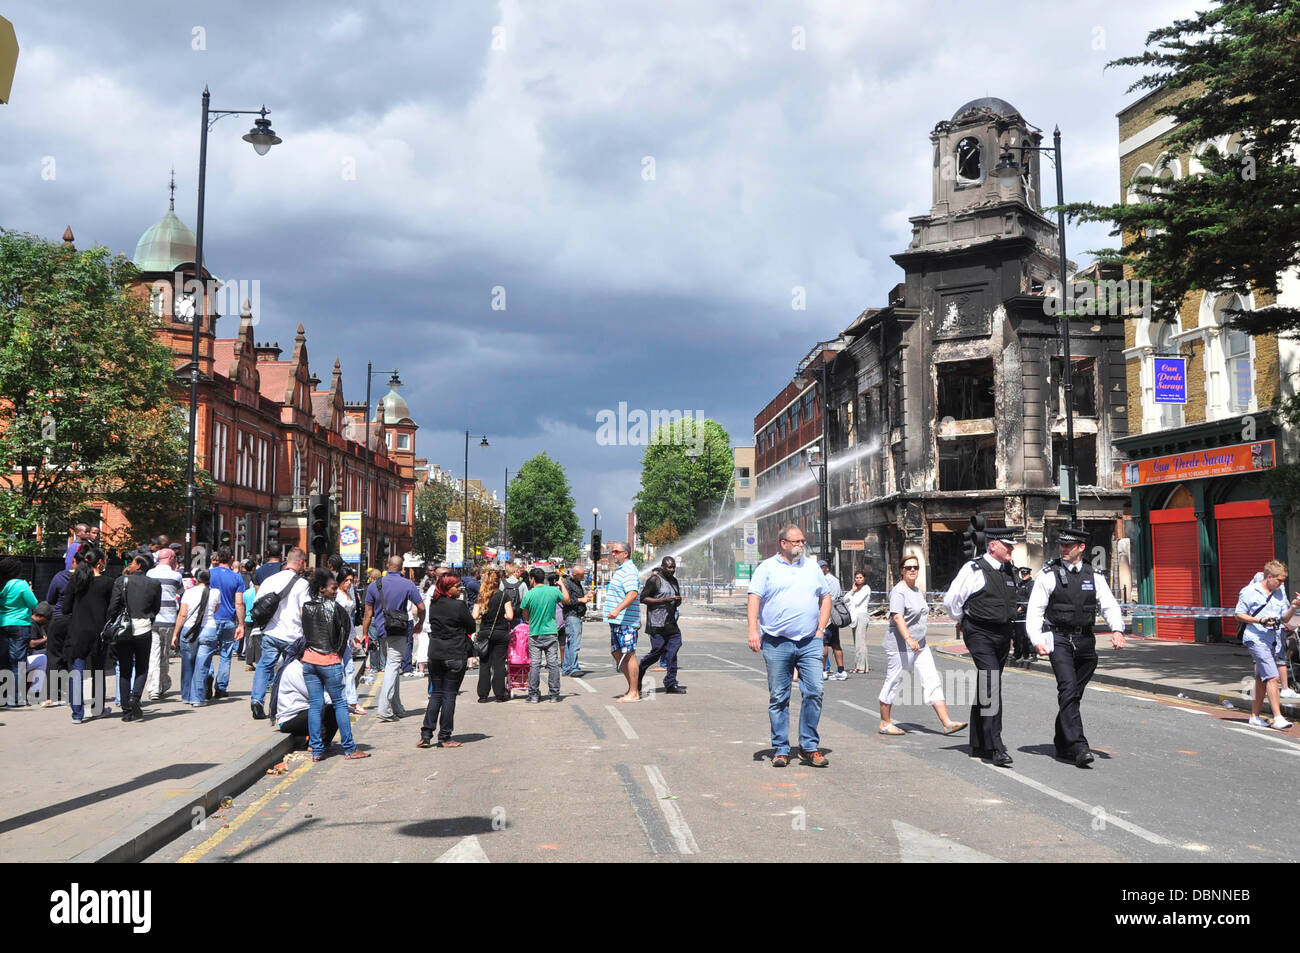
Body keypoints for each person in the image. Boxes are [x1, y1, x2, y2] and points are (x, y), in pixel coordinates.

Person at [1024, 527, 1128, 766]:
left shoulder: (1094, 575)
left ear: (1081, 548)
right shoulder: (1049, 574)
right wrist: (1036, 639)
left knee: (1073, 695)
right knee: (1068, 690)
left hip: (1085, 641)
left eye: (1068, 546)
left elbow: (1109, 605)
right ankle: (1079, 746)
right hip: (1058, 639)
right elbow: (1035, 611)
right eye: (1061, 545)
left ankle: (1062, 744)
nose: (1063, 549)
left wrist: (1117, 630)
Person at [747, 524, 831, 767]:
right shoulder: (767, 568)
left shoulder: (812, 567)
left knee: (814, 691)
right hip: (776, 642)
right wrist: (754, 630)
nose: (801, 545)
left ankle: (808, 746)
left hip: (809, 641)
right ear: (783, 544)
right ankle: (781, 748)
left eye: (803, 541)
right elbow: (754, 598)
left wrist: (820, 630)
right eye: (796, 542)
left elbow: (825, 597)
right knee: (779, 696)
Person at [943, 526, 1020, 767]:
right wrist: (962, 620)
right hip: (980, 632)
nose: (1011, 549)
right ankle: (995, 745)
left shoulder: (1009, 570)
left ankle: (979, 743)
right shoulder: (974, 568)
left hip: (1001, 634)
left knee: (988, 685)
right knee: (991, 684)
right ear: (993, 545)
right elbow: (951, 600)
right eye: (1007, 545)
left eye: (1012, 545)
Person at [878, 555, 966, 736]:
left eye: (916, 567)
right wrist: (909, 638)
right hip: (900, 645)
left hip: (921, 645)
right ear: (901, 570)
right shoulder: (899, 591)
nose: (912, 570)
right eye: (908, 567)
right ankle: (885, 723)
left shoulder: (917, 591)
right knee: (895, 680)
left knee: (932, 679)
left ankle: (947, 722)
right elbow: (897, 616)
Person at [300, 568, 368, 762]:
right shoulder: (335, 608)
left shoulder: (307, 607)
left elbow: (306, 633)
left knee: (315, 705)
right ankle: (349, 747)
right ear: (321, 588)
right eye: (332, 588)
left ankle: (317, 749)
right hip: (329, 661)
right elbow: (344, 632)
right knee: (339, 703)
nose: (335, 591)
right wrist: (336, 654)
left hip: (310, 660)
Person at [1233, 560, 1297, 731]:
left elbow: (1284, 619)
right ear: (1269, 577)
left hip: (1273, 640)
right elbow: (1239, 614)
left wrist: (1293, 607)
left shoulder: (1279, 592)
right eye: (1280, 580)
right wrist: (1259, 620)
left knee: (1261, 679)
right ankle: (1278, 717)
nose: (1282, 584)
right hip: (1256, 638)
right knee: (1273, 677)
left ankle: (1254, 717)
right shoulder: (1249, 592)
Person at [362, 555, 425, 722]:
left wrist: (364, 633)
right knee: (393, 666)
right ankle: (384, 708)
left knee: (392, 666)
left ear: (387, 565)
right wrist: (420, 623)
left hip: (381, 631)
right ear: (401, 567)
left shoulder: (375, 585)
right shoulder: (407, 584)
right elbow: (421, 606)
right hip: (399, 630)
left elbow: (368, 614)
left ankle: (397, 707)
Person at [249, 548, 310, 720]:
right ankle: (286, 705)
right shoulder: (302, 584)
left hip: (271, 632)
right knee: (292, 670)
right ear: (300, 562)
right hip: (293, 634)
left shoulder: (270, 580)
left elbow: (256, 603)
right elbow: (302, 612)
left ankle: (257, 701)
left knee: (264, 666)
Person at [418, 573, 478, 746]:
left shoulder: (434, 605)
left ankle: (426, 734)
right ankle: (444, 736)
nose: (460, 588)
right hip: (455, 653)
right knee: (449, 696)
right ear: (446, 588)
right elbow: (471, 626)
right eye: (456, 586)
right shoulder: (459, 606)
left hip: (435, 654)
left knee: (436, 694)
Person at [106, 555, 162, 721]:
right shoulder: (154, 584)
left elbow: (113, 607)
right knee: (142, 667)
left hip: (124, 629)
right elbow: (156, 608)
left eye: (132, 562)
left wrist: (113, 623)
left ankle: (126, 711)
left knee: (124, 668)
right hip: (144, 627)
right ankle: (134, 697)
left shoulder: (122, 581)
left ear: (138, 565)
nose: (130, 565)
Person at [64, 547, 115, 723]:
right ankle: (98, 708)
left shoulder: (75, 581)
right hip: (98, 632)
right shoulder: (108, 583)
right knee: (98, 671)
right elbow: (111, 609)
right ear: (99, 562)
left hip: (77, 631)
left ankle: (77, 714)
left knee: (77, 671)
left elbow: (65, 608)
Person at [199, 547, 245, 701]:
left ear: (217, 557)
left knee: (208, 651)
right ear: (231, 558)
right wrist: (241, 624)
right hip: (229, 619)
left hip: (211, 618)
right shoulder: (237, 577)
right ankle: (221, 687)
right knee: (226, 655)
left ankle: (208, 676)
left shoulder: (209, 574)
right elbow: (239, 603)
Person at [638, 556, 686, 695]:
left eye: (674, 567)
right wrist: (664, 600)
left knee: (673, 651)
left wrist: (677, 601)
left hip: (670, 623)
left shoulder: (674, 581)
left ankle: (671, 683)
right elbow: (643, 598)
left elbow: (675, 599)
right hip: (656, 623)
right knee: (657, 652)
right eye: (669, 567)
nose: (672, 570)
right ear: (663, 567)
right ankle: (639, 672)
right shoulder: (654, 580)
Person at [520, 567, 569, 703]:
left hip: (535, 633)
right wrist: (561, 584)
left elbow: (524, 612)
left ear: (533, 579)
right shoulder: (553, 591)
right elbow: (566, 599)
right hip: (551, 632)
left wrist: (529, 620)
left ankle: (534, 695)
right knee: (553, 664)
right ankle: (554, 695)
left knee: (535, 665)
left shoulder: (529, 594)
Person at [603, 542, 642, 703]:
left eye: (616, 551)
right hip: (618, 622)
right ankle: (632, 688)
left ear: (625, 554)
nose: (613, 554)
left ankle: (634, 692)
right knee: (617, 653)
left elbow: (632, 593)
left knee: (629, 654)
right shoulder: (621, 570)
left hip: (626, 620)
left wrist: (617, 609)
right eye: (612, 551)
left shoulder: (629, 571)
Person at [172, 569, 216, 707]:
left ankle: (186, 695)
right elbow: (215, 609)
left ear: (196, 579)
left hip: (189, 630)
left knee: (187, 663)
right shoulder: (216, 592)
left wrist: (175, 634)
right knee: (202, 665)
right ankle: (197, 698)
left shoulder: (189, 592)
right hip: (209, 628)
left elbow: (182, 614)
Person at [145, 547, 183, 700]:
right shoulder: (176, 576)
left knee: (153, 654)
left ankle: (154, 687)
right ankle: (162, 682)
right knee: (164, 654)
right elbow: (180, 594)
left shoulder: (149, 574)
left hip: (152, 619)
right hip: (168, 619)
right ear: (171, 559)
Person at [0, 557, 38, 700]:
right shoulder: (20, 585)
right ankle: (15, 697)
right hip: (20, 625)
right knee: (17, 662)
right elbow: (33, 603)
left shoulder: (1, 585)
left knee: (4, 661)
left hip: (2, 624)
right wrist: (30, 590)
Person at [474, 568, 515, 702]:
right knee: (499, 664)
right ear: (499, 581)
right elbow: (510, 616)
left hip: (485, 633)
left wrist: (482, 613)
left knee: (485, 664)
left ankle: (483, 695)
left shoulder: (481, 596)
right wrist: (502, 614)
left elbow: (475, 615)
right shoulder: (504, 596)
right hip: (501, 633)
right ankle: (499, 694)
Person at [334, 569, 364, 715]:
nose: (349, 583)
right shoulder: (336, 595)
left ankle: (352, 701)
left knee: (349, 668)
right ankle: (344, 701)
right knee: (341, 669)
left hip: (345, 635)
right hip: (337, 637)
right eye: (346, 580)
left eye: (351, 580)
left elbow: (348, 618)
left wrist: (354, 635)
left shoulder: (348, 593)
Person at [818, 560, 847, 680]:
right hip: (835, 615)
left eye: (821, 568)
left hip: (826, 615)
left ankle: (824, 670)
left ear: (826, 568)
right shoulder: (835, 580)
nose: (819, 570)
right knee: (836, 644)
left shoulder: (824, 580)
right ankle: (841, 670)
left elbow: (822, 597)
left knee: (824, 643)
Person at [561, 564, 589, 677]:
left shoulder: (576, 582)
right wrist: (581, 600)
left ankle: (567, 667)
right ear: (574, 574)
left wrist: (586, 597)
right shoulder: (568, 583)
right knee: (574, 643)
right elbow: (565, 600)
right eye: (581, 575)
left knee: (571, 643)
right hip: (572, 615)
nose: (583, 577)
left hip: (576, 615)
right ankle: (573, 667)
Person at [846, 570, 872, 673]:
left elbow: (856, 602)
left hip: (862, 615)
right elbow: (845, 599)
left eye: (860, 578)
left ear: (864, 578)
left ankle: (861, 667)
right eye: (857, 578)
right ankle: (859, 665)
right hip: (854, 616)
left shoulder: (866, 589)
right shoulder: (855, 589)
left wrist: (852, 596)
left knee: (860, 642)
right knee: (856, 642)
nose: (858, 579)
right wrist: (852, 591)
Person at [1011, 566, 1035, 662]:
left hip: (1026, 614)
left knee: (1027, 635)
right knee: (1017, 635)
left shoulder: (1031, 584)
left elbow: (1030, 599)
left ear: (1029, 574)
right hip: (1018, 614)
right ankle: (1018, 654)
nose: (1023, 575)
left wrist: (1022, 608)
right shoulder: (1020, 584)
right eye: (1022, 574)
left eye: (1025, 574)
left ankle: (1031, 654)